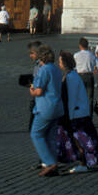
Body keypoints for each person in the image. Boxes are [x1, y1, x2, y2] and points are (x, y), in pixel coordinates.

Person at [59, 51, 98, 172]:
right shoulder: (73, 75)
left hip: (76, 114)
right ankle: (84, 161)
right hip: (79, 112)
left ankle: (84, 162)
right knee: (81, 139)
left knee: (80, 140)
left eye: (60, 61)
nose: (58, 64)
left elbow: (71, 98)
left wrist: (68, 116)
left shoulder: (70, 77)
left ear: (64, 63)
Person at [29, 44, 63, 176]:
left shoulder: (43, 70)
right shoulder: (56, 69)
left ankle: (49, 162)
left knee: (36, 134)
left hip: (46, 107)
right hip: (57, 106)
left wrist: (31, 91)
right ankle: (54, 163)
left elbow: (39, 91)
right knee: (51, 136)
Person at [73, 37, 97, 114]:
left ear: (80, 46)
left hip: (79, 76)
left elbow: (73, 67)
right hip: (89, 76)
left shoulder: (76, 55)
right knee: (90, 97)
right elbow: (96, 65)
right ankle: (89, 115)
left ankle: (80, 114)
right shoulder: (92, 55)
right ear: (87, 45)